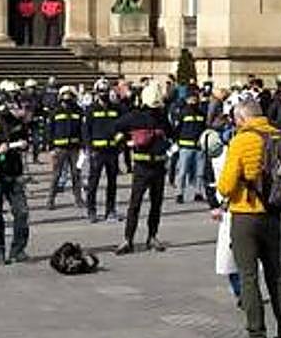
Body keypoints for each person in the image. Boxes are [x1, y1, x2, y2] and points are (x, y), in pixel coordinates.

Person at [217, 98, 281, 338]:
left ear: (242, 118)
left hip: (246, 213)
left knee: (249, 277)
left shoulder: (242, 140)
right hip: (274, 213)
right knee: (276, 275)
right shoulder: (279, 137)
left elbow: (226, 186)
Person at [115, 83, 172, 254]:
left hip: (157, 166)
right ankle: (129, 239)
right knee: (136, 204)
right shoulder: (135, 117)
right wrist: (125, 142)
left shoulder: (161, 117)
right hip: (143, 167)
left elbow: (171, 134)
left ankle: (149, 237)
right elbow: (116, 128)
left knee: (153, 204)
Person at [0, 101, 30, 265]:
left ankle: (18, 250)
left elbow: (25, 139)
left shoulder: (17, 123)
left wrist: (22, 144)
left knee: (22, 212)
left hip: (14, 172)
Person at [83, 80, 121, 224]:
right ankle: (91, 210)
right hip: (97, 152)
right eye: (101, 91)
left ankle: (110, 210)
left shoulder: (115, 108)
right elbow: (86, 131)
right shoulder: (91, 109)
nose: (103, 94)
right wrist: (89, 148)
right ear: (96, 92)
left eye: (105, 91)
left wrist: (120, 145)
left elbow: (120, 127)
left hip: (112, 151)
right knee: (93, 183)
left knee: (112, 183)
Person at [46, 86, 84, 210]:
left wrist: (83, 146)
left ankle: (78, 199)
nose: (67, 99)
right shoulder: (55, 111)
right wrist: (51, 148)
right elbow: (49, 131)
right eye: (65, 96)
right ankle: (50, 200)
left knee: (76, 175)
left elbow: (82, 129)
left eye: (70, 96)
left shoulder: (78, 111)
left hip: (74, 148)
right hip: (59, 148)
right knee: (56, 175)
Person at [171, 86, 207, 204]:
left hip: (199, 147)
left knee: (199, 172)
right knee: (182, 172)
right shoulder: (183, 113)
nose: (194, 101)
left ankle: (198, 192)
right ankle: (179, 193)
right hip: (185, 147)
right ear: (187, 99)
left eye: (195, 98)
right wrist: (176, 142)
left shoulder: (201, 113)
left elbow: (204, 129)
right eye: (191, 98)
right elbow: (177, 129)